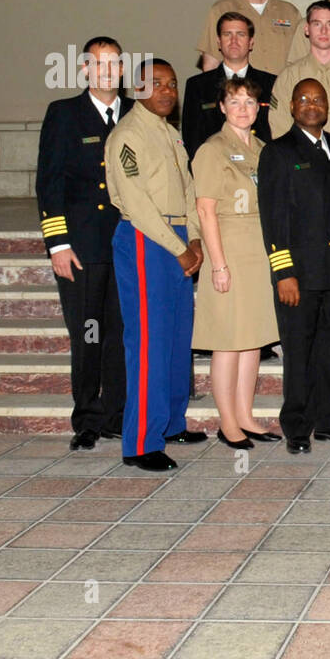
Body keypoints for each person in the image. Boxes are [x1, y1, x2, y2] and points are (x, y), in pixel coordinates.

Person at [104, 59, 208, 472]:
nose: (166, 91)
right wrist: (177, 247)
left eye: (172, 83)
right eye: (156, 84)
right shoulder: (127, 136)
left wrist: (195, 237)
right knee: (149, 342)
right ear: (136, 89)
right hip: (147, 240)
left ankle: (169, 423)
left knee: (178, 335)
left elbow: (189, 189)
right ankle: (141, 443)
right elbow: (137, 204)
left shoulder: (170, 134)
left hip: (178, 237)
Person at [36, 36, 129, 450]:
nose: (107, 71)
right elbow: (49, 183)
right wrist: (58, 245)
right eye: (99, 64)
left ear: (123, 70)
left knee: (120, 334)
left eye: (114, 64)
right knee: (89, 334)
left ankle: (117, 415)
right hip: (82, 249)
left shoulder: (134, 114)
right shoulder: (64, 115)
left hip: (126, 246)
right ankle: (87, 418)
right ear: (85, 71)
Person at [257, 78, 330, 454]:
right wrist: (284, 273)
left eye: (319, 99)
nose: (312, 105)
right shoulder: (279, 153)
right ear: (292, 107)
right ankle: (297, 427)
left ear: (328, 106)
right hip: (298, 276)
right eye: (304, 99)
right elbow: (273, 219)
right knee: (299, 354)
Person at [192, 76, 282, 448]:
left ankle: (245, 415)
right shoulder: (212, 149)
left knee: (252, 340)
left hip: (258, 253)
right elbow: (205, 210)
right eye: (235, 101)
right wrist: (218, 264)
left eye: (250, 102)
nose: (243, 108)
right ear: (222, 107)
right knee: (227, 340)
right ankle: (227, 421)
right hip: (228, 248)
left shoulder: (263, 148)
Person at [269, 0, 330, 142]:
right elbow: (279, 124)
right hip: (304, 159)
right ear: (307, 29)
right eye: (317, 24)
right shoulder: (290, 76)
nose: (324, 31)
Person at [182, 12, 273, 161]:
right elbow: (192, 137)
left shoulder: (270, 83)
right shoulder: (197, 86)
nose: (234, 41)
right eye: (227, 34)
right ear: (218, 42)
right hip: (214, 166)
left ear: (251, 42)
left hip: (260, 165)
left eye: (241, 35)